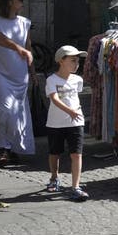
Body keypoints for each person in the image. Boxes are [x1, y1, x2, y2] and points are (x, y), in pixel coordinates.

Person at [0, 0, 35, 165]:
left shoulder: (25, 22)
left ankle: (11, 148)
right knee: (6, 111)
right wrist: (18, 48)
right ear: (9, 1)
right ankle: (3, 147)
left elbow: (28, 47)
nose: (23, 2)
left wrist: (33, 72)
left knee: (17, 114)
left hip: (20, 74)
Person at [44, 45, 88, 200]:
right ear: (61, 61)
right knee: (54, 153)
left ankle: (75, 186)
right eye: (73, 60)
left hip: (76, 122)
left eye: (78, 61)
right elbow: (54, 99)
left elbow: (75, 97)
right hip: (55, 123)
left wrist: (74, 113)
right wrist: (70, 111)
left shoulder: (77, 79)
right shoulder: (51, 79)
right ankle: (54, 177)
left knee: (76, 154)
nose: (77, 64)